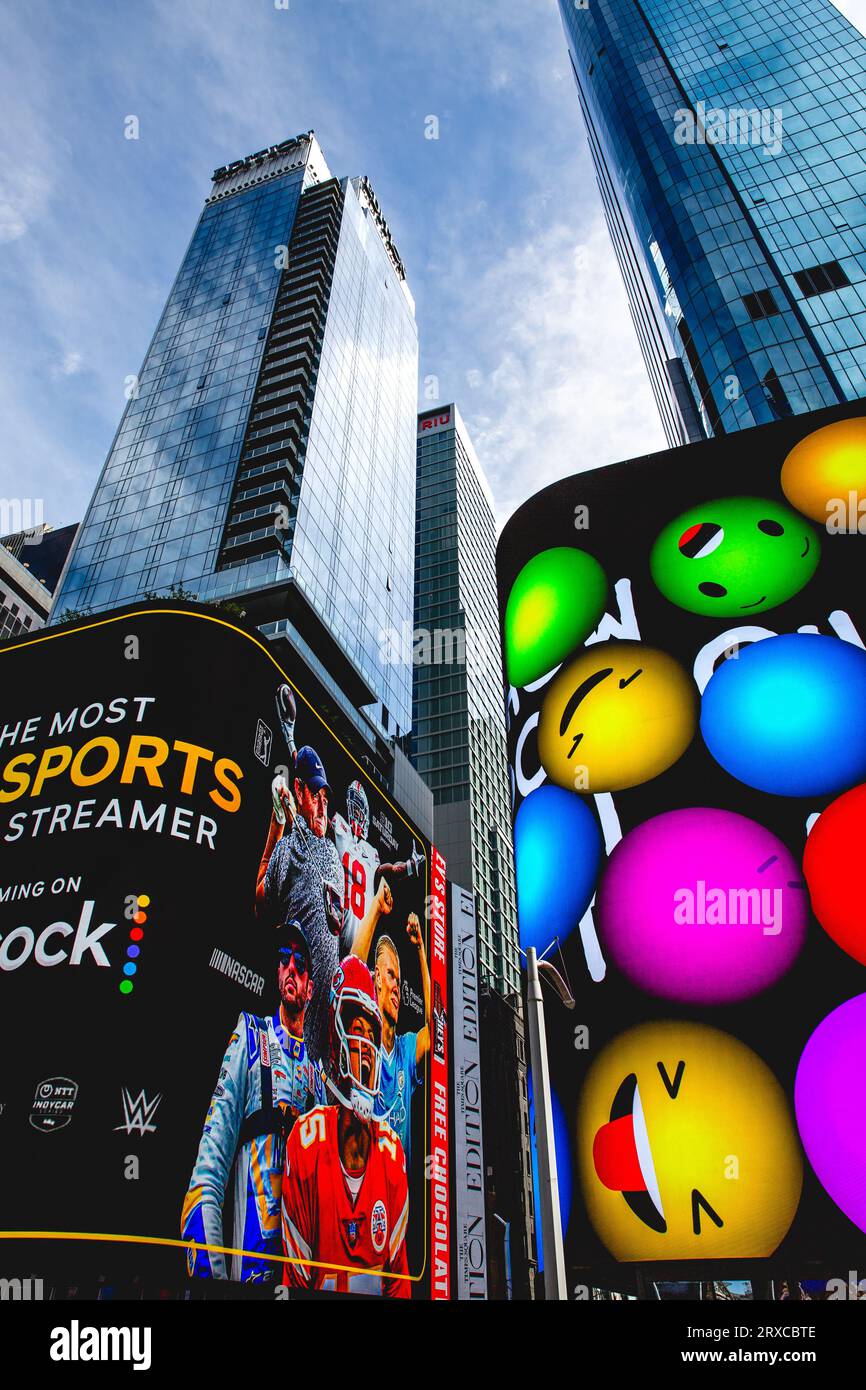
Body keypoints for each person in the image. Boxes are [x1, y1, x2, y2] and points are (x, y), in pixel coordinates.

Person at [181, 920, 324, 1282]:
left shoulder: (318, 1076)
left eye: (301, 963)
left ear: (310, 988)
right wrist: (212, 1281)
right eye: (283, 959)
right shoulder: (249, 1035)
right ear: (277, 973)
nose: (291, 967)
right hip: (247, 1278)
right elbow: (206, 1180)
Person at [280, 956, 410, 1297]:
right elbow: (294, 1280)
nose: (366, 1048)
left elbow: (398, 1283)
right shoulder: (306, 1143)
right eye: (356, 1032)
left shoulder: (392, 1153)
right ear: (336, 1046)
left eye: (371, 1034)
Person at [255, 745, 345, 1065]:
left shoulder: (334, 857)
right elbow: (260, 901)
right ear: (299, 790)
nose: (321, 806)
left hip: (322, 1053)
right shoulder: (291, 848)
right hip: (289, 1040)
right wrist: (278, 821)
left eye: (325, 798)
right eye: (314, 795)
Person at [350, 893, 430, 1167]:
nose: (397, 986)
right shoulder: (360, 1040)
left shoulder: (406, 1050)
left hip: (398, 1197)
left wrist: (420, 949)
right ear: (376, 979)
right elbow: (349, 975)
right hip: (361, 1186)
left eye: (399, 978)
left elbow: (435, 1028)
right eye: (391, 976)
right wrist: (375, 908)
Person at [331, 778, 425, 947]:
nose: (356, 812)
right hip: (337, 927)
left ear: (365, 814)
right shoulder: (339, 826)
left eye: (359, 809)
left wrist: (409, 866)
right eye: (353, 806)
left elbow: (390, 870)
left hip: (361, 939)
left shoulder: (372, 853)